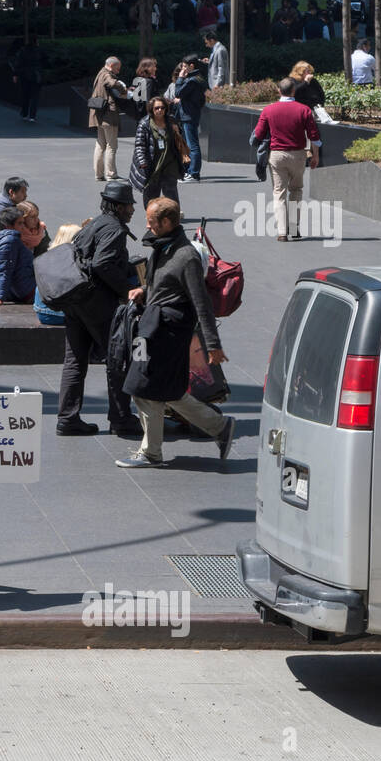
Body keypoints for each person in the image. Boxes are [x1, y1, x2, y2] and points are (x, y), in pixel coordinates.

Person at [118, 197, 234, 468]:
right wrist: (144, 292)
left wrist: (213, 346)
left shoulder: (186, 256)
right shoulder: (161, 246)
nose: (146, 224)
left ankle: (151, 453)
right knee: (167, 390)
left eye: (151, 220)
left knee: (142, 385)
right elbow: (161, 284)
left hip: (169, 334)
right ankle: (219, 427)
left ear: (167, 222)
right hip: (153, 327)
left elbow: (201, 301)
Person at [55, 182, 140, 438]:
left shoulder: (95, 224)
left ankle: (67, 418)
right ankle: (121, 418)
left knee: (74, 360)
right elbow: (103, 263)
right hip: (96, 304)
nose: (132, 209)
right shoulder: (114, 229)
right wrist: (127, 290)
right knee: (117, 357)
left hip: (75, 299)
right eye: (128, 205)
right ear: (117, 206)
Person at [251, 77, 322, 242]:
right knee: (296, 190)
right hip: (298, 154)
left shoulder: (269, 110)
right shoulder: (304, 110)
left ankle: (282, 232)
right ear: (293, 91)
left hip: (276, 155)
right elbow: (314, 136)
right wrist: (315, 155)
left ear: (278, 91)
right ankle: (295, 228)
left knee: (279, 192)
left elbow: (259, 134)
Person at [130, 96, 188, 210]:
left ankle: (173, 215)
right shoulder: (144, 124)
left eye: (162, 108)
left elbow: (177, 140)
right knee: (151, 194)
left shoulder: (170, 121)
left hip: (169, 163)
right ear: (151, 109)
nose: (160, 110)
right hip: (152, 164)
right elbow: (139, 145)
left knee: (171, 193)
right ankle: (151, 216)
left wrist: (177, 130)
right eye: (156, 108)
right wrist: (143, 162)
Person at [0, 206, 36, 305]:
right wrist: (0, 298)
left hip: (14, 290)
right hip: (26, 291)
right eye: (20, 223)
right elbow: (5, 271)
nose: (23, 227)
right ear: (8, 226)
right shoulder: (10, 241)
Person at [89, 56, 127, 181]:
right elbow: (112, 83)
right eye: (117, 68)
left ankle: (98, 174)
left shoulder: (100, 73)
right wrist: (123, 89)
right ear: (111, 66)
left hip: (99, 115)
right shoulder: (106, 74)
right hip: (108, 115)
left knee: (100, 144)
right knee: (112, 145)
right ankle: (111, 174)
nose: (118, 71)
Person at [173, 54, 207, 182]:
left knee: (192, 145)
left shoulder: (192, 80)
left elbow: (178, 93)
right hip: (190, 113)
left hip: (189, 114)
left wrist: (180, 78)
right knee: (189, 144)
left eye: (185, 67)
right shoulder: (198, 78)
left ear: (191, 66)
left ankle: (194, 173)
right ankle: (190, 172)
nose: (183, 69)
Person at [12, 34, 43, 122]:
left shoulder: (23, 50)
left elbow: (18, 63)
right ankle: (32, 115)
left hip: (24, 75)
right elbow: (45, 62)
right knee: (35, 96)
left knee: (25, 95)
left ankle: (24, 113)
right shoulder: (39, 51)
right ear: (36, 42)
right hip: (36, 75)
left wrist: (15, 74)